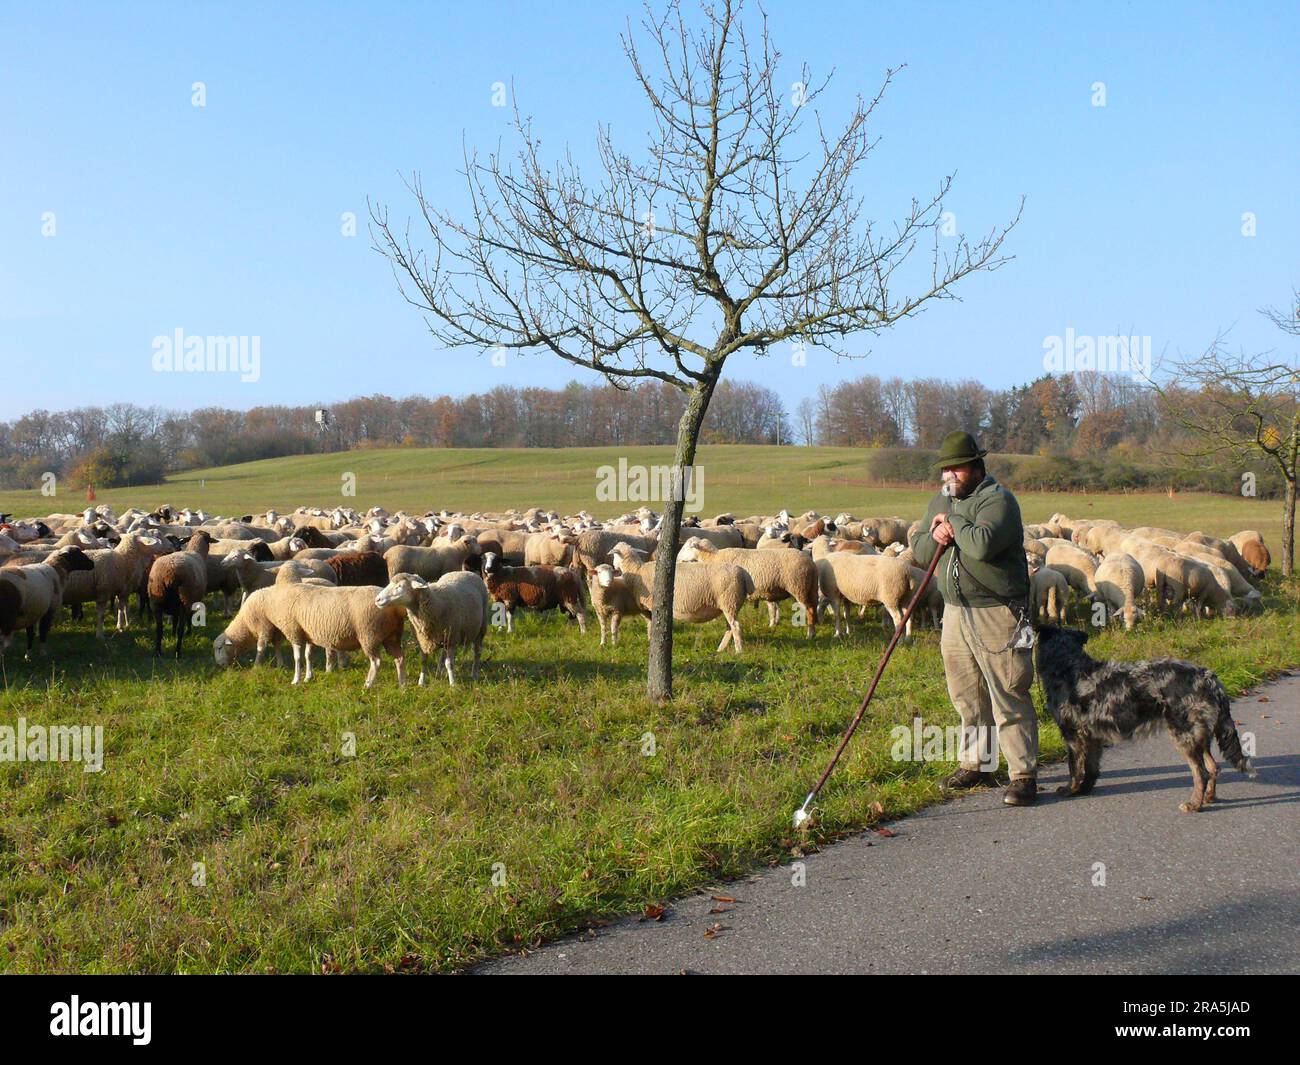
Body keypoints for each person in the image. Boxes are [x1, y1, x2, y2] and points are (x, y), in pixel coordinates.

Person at [909, 430, 1038, 806]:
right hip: (955, 611)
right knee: (967, 694)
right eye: (945, 470)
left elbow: (981, 544)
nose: (949, 476)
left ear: (977, 467)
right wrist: (936, 531)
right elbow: (919, 547)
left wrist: (951, 523)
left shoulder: (998, 501)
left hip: (998, 611)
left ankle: (1023, 775)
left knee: (1008, 691)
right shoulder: (940, 499)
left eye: (957, 469)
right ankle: (978, 763)